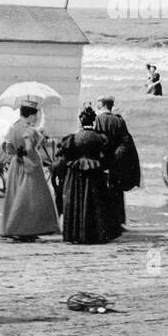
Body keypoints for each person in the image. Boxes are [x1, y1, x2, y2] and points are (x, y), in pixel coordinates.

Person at [0, 98, 59, 241]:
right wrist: (35, 144)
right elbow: (30, 148)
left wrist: (17, 153)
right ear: (31, 115)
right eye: (36, 115)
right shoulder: (29, 131)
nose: (37, 118)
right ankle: (28, 228)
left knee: (15, 194)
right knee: (31, 197)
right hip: (30, 164)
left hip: (16, 164)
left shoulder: (13, 128)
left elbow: (7, 148)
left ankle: (13, 227)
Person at [55, 105, 114, 244]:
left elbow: (63, 155)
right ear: (93, 121)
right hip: (95, 172)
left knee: (76, 201)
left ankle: (75, 234)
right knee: (95, 203)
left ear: (81, 121)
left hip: (76, 173)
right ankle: (95, 234)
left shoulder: (73, 138)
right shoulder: (100, 137)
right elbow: (107, 157)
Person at [94, 96, 140, 235]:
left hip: (102, 160)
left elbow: (96, 140)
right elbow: (126, 143)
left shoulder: (97, 120)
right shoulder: (119, 120)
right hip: (117, 162)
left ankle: (103, 223)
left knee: (102, 191)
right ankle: (117, 223)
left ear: (101, 105)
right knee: (116, 192)